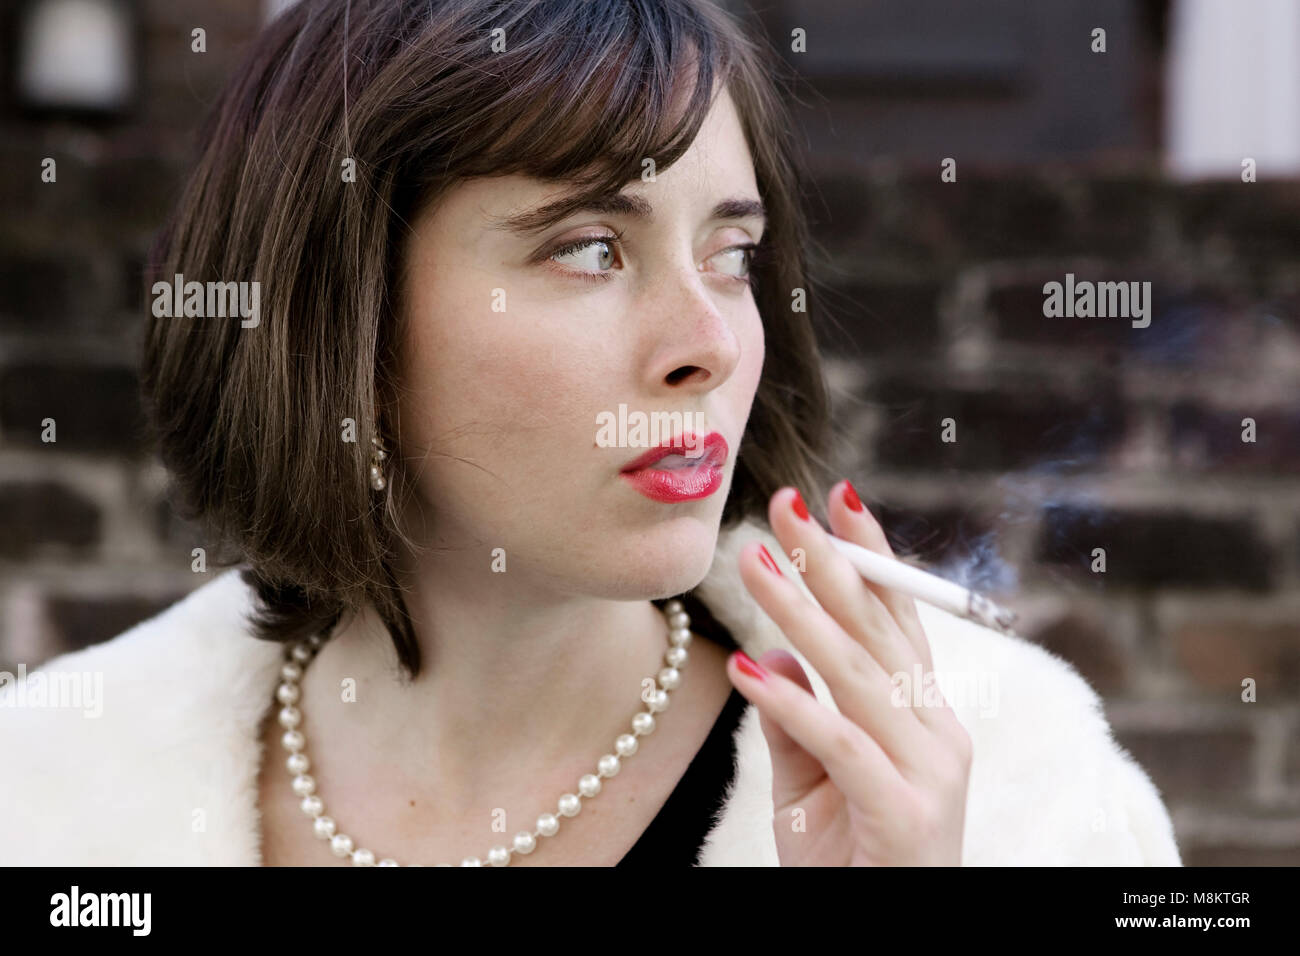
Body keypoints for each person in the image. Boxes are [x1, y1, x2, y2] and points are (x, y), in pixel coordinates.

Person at [0, 0, 1181, 866]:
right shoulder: (51, 799)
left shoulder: (1019, 795)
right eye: (588, 248)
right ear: (336, 312)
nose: (708, 342)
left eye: (732, 255)